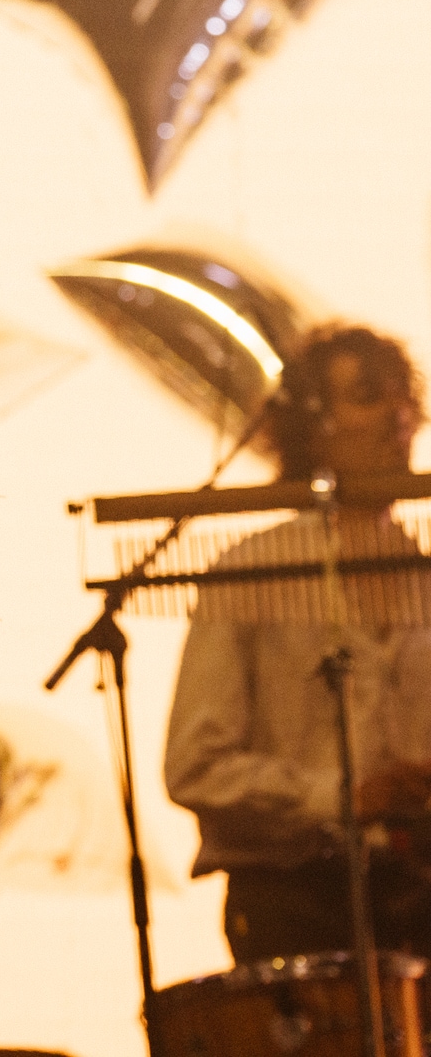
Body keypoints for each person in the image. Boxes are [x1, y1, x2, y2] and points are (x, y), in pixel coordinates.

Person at [164, 324, 430, 962]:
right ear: (314, 425)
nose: (396, 415)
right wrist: (341, 795)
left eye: (403, 398)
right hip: (294, 903)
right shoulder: (251, 570)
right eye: (367, 396)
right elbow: (196, 764)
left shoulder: (425, 577)